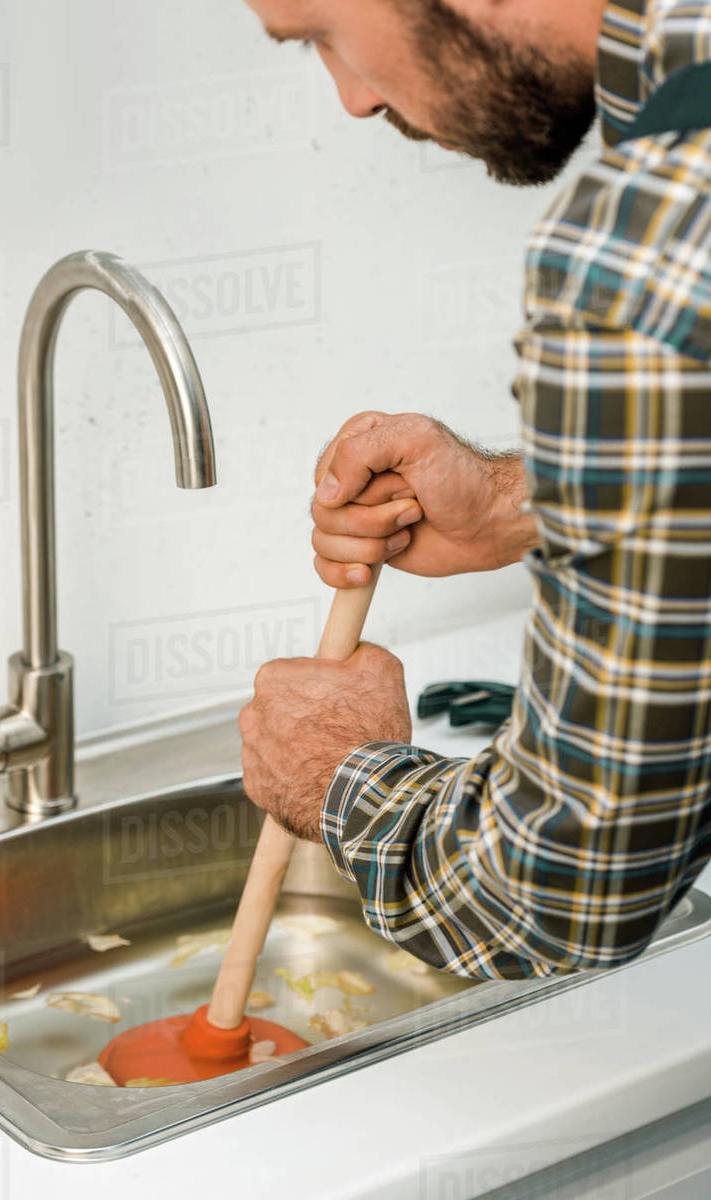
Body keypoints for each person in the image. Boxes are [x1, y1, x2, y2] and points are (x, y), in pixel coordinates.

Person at [238, 0, 711, 979]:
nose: (354, 99)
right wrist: (522, 500)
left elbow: (561, 888)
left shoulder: (648, 245)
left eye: (318, 30)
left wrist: (343, 778)